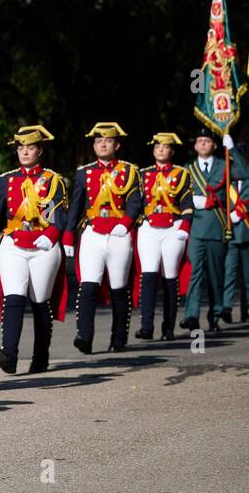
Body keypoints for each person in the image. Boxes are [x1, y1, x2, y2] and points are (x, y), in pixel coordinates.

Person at [0, 125, 68, 374]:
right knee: (13, 297)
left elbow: (60, 215)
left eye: (30, 148)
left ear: (39, 150)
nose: (25, 152)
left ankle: (40, 357)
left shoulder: (54, 180)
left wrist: (51, 235)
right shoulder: (6, 180)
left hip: (43, 244)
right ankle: (9, 354)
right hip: (13, 241)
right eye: (21, 148)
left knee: (40, 301)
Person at [65, 122, 143, 353]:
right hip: (93, 232)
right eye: (98, 141)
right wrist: (68, 235)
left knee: (119, 288)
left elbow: (136, 201)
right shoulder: (84, 172)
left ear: (116, 145)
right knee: (88, 286)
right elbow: (76, 205)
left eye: (107, 140)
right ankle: (84, 336)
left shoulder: (130, 171)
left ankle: (119, 339)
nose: (102, 144)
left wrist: (126, 223)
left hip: (119, 233)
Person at [181, 126, 246, 333]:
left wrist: (233, 149)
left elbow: (244, 173)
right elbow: (179, 195)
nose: (203, 143)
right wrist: (193, 201)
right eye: (199, 140)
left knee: (216, 275)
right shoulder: (187, 169)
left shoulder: (223, 164)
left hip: (218, 228)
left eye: (207, 141)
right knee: (195, 273)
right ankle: (191, 315)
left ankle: (215, 315)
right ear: (195, 145)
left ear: (215, 145)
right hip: (197, 229)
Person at [133, 133, 193, 342]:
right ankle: (146, 326)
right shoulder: (143, 174)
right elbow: (136, 203)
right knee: (148, 276)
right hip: (149, 226)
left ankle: (168, 327)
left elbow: (187, 203)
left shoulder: (182, 174)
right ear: (153, 150)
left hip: (173, 226)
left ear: (172, 151)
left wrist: (185, 226)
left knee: (170, 276)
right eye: (157, 146)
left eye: (165, 147)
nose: (160, 149)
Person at [222, 166, 249, 324]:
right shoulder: (228, 186)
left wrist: (242, 210)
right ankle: (227, 307)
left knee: (247, 277)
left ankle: (246, 309)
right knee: (229, 273)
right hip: (231, 235)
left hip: (246, 234)